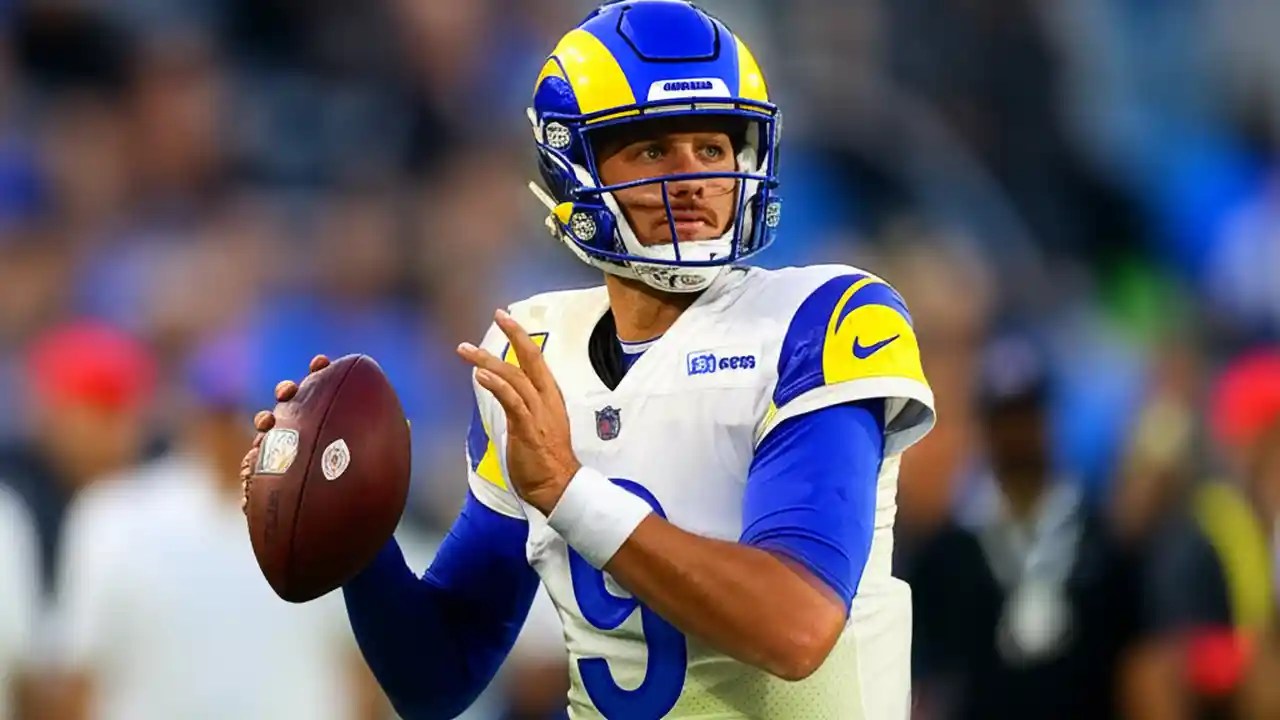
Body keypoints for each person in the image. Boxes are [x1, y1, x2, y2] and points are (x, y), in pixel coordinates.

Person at [242, 2, 936, 718]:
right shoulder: (539, 346)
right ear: (575, 167)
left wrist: (570, 495)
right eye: (653, 149)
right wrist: (356, 527)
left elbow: (796, 626)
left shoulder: (820, 320)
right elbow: (438, 677)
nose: (693, 177)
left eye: (713, 146)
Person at [51, 337, 388, 720]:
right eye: (219, 414)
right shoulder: (114, 515)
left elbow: (363, 673)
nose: (231, 429)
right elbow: (78, 679)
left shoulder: (331, 518)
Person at [908, 334, 1134, 720]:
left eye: (1027, 417)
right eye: (1005, 420)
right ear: (985, 427)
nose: (1017, 434)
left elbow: (1130, 659)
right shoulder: (945, 551)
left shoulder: (1102, 537)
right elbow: (930, 677)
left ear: (1049, 419)